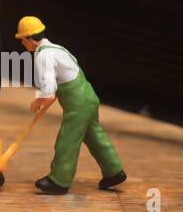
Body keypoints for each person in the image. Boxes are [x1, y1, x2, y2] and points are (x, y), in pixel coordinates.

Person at [16, 15, 126, 195]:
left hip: (78, 104)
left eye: (22, 40)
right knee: (94, 136)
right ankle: (114, 172)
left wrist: (37, 101)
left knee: (67, 140)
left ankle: (59, 180)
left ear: (29, 39)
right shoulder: (58, 48)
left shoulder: (43, 55)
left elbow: (49, 90)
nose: (22, 44)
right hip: (89, 96)